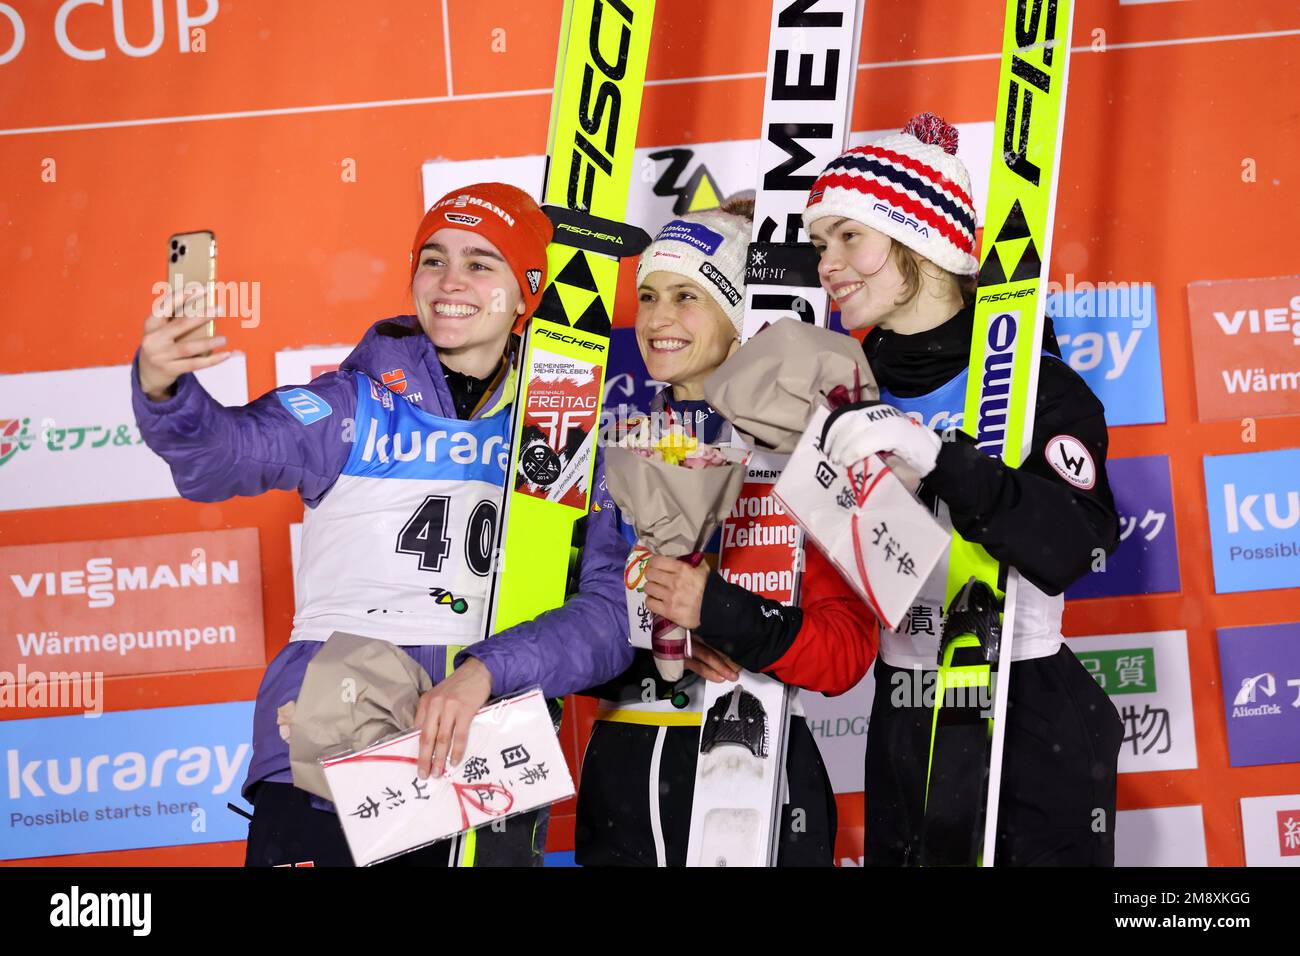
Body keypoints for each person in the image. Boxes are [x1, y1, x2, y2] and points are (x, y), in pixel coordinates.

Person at [133, 182, 632, 866]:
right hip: (329, 763)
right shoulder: (352, 404)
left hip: (480, 768)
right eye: (433, 259)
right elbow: (224, 454)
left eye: (481, 263)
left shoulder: (560, 434)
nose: (450, 280)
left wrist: (488, 669)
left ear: (528, 291)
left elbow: (607, 623)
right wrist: (167, 391)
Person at [801, 113, 1124, 865]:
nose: (829, 264)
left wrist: (940, 461)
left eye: (849, 236)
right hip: (904, 715)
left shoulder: (1032, 381)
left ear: (921, 238)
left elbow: (1077, 541)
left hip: (1028, 709)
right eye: (821, 245)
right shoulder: (841, 383)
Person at [574, 199, 878, 867]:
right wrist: (642, 645)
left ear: (738, 312)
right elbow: (564, 622)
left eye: (688, 296)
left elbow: (846, 651)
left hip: (760, 768)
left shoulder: (803, 450)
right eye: (648, 295)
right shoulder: (607, 446)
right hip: (624, 773)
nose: (656, 318)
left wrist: (725, 615)